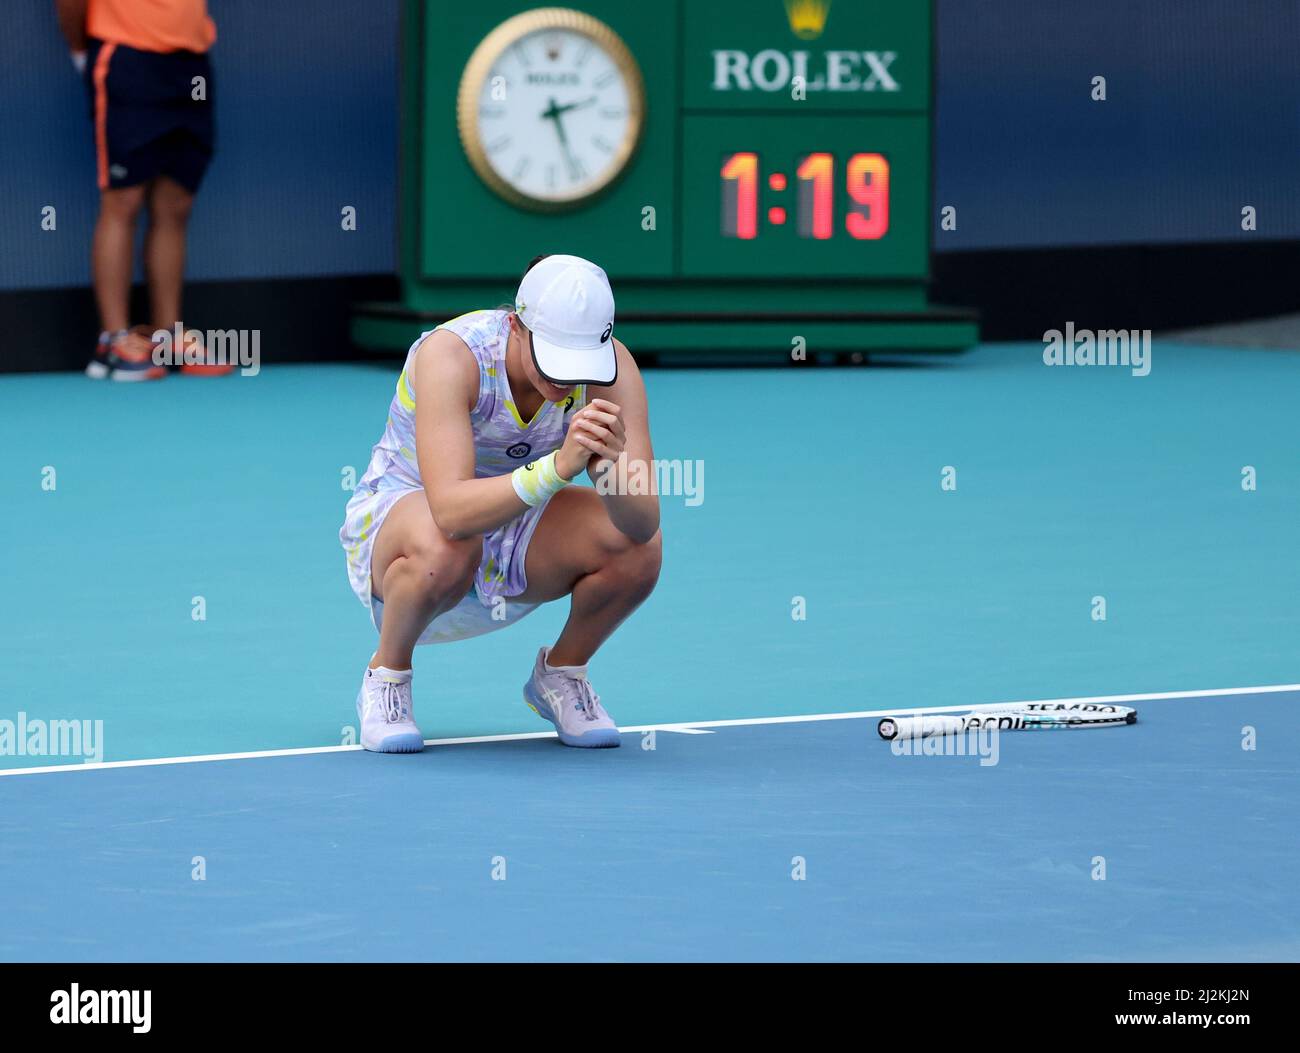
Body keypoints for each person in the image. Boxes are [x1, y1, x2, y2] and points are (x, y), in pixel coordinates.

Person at [340, 255, 663, 752]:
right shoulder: (452, 355)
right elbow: (448, 510)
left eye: (579, 361)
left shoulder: (613, 373)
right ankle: (388, 675)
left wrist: (612, 474)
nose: (565, 380)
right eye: (555, 357)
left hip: (523, 523)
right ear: (516, 326)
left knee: (636, 549)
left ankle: (561, 673)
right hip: (412, 522)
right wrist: (557, 468)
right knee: (450, 542)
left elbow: (642, 526)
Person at [54, 0, 227, 379]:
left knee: (177, 202)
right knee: (123, 198)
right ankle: (113, 342)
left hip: (190, 63)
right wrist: (83, 53)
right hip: (125, 55)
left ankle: (170, 338)